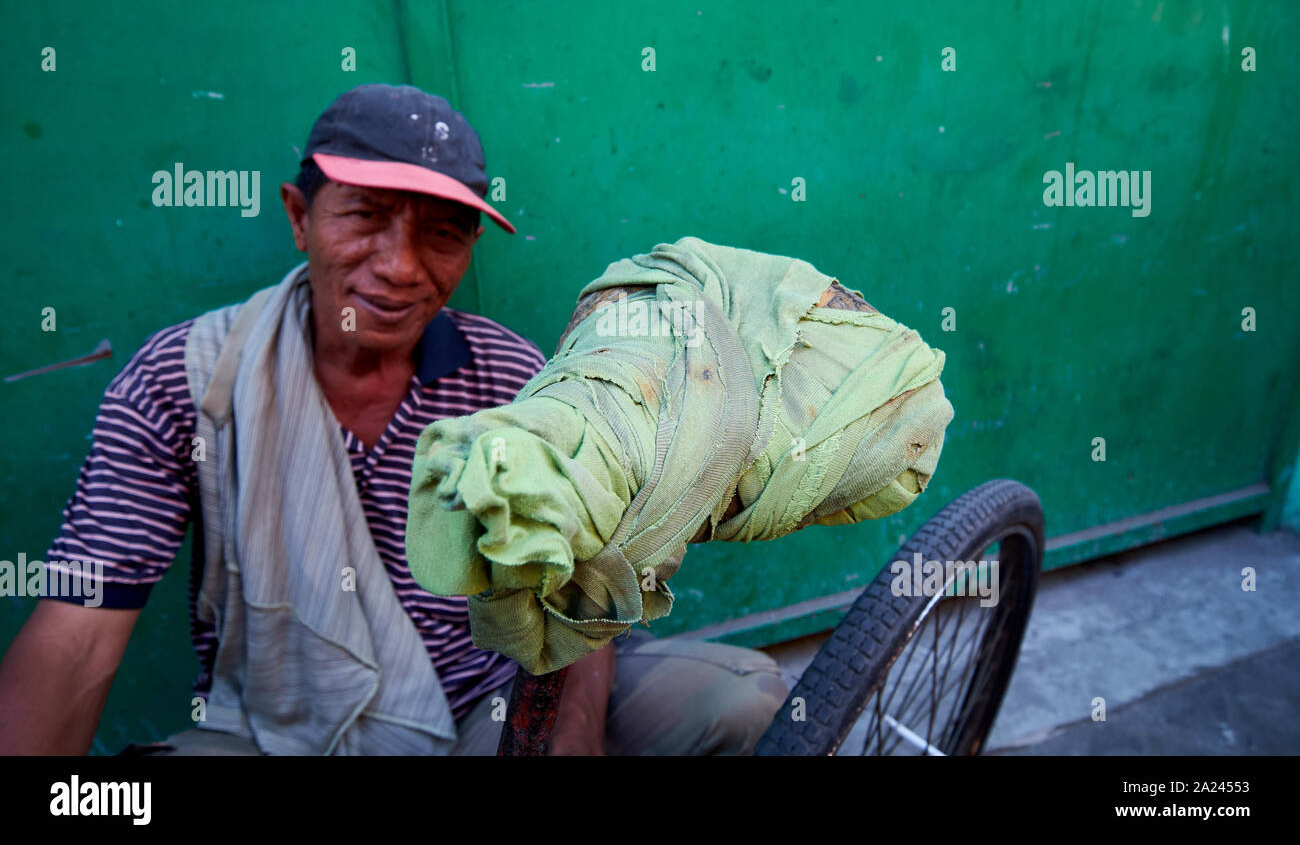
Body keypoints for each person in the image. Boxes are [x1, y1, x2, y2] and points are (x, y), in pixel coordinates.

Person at [0, 84, 787, 756]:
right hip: (279, 732)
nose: (401, 266)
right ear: (298, 215)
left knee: (745, 700)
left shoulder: (510, 378)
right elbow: (78, 631)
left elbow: (578, 590)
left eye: (442, 233)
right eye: (366, 216)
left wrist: (565, 741)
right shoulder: (188, 383)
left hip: (481, 715)